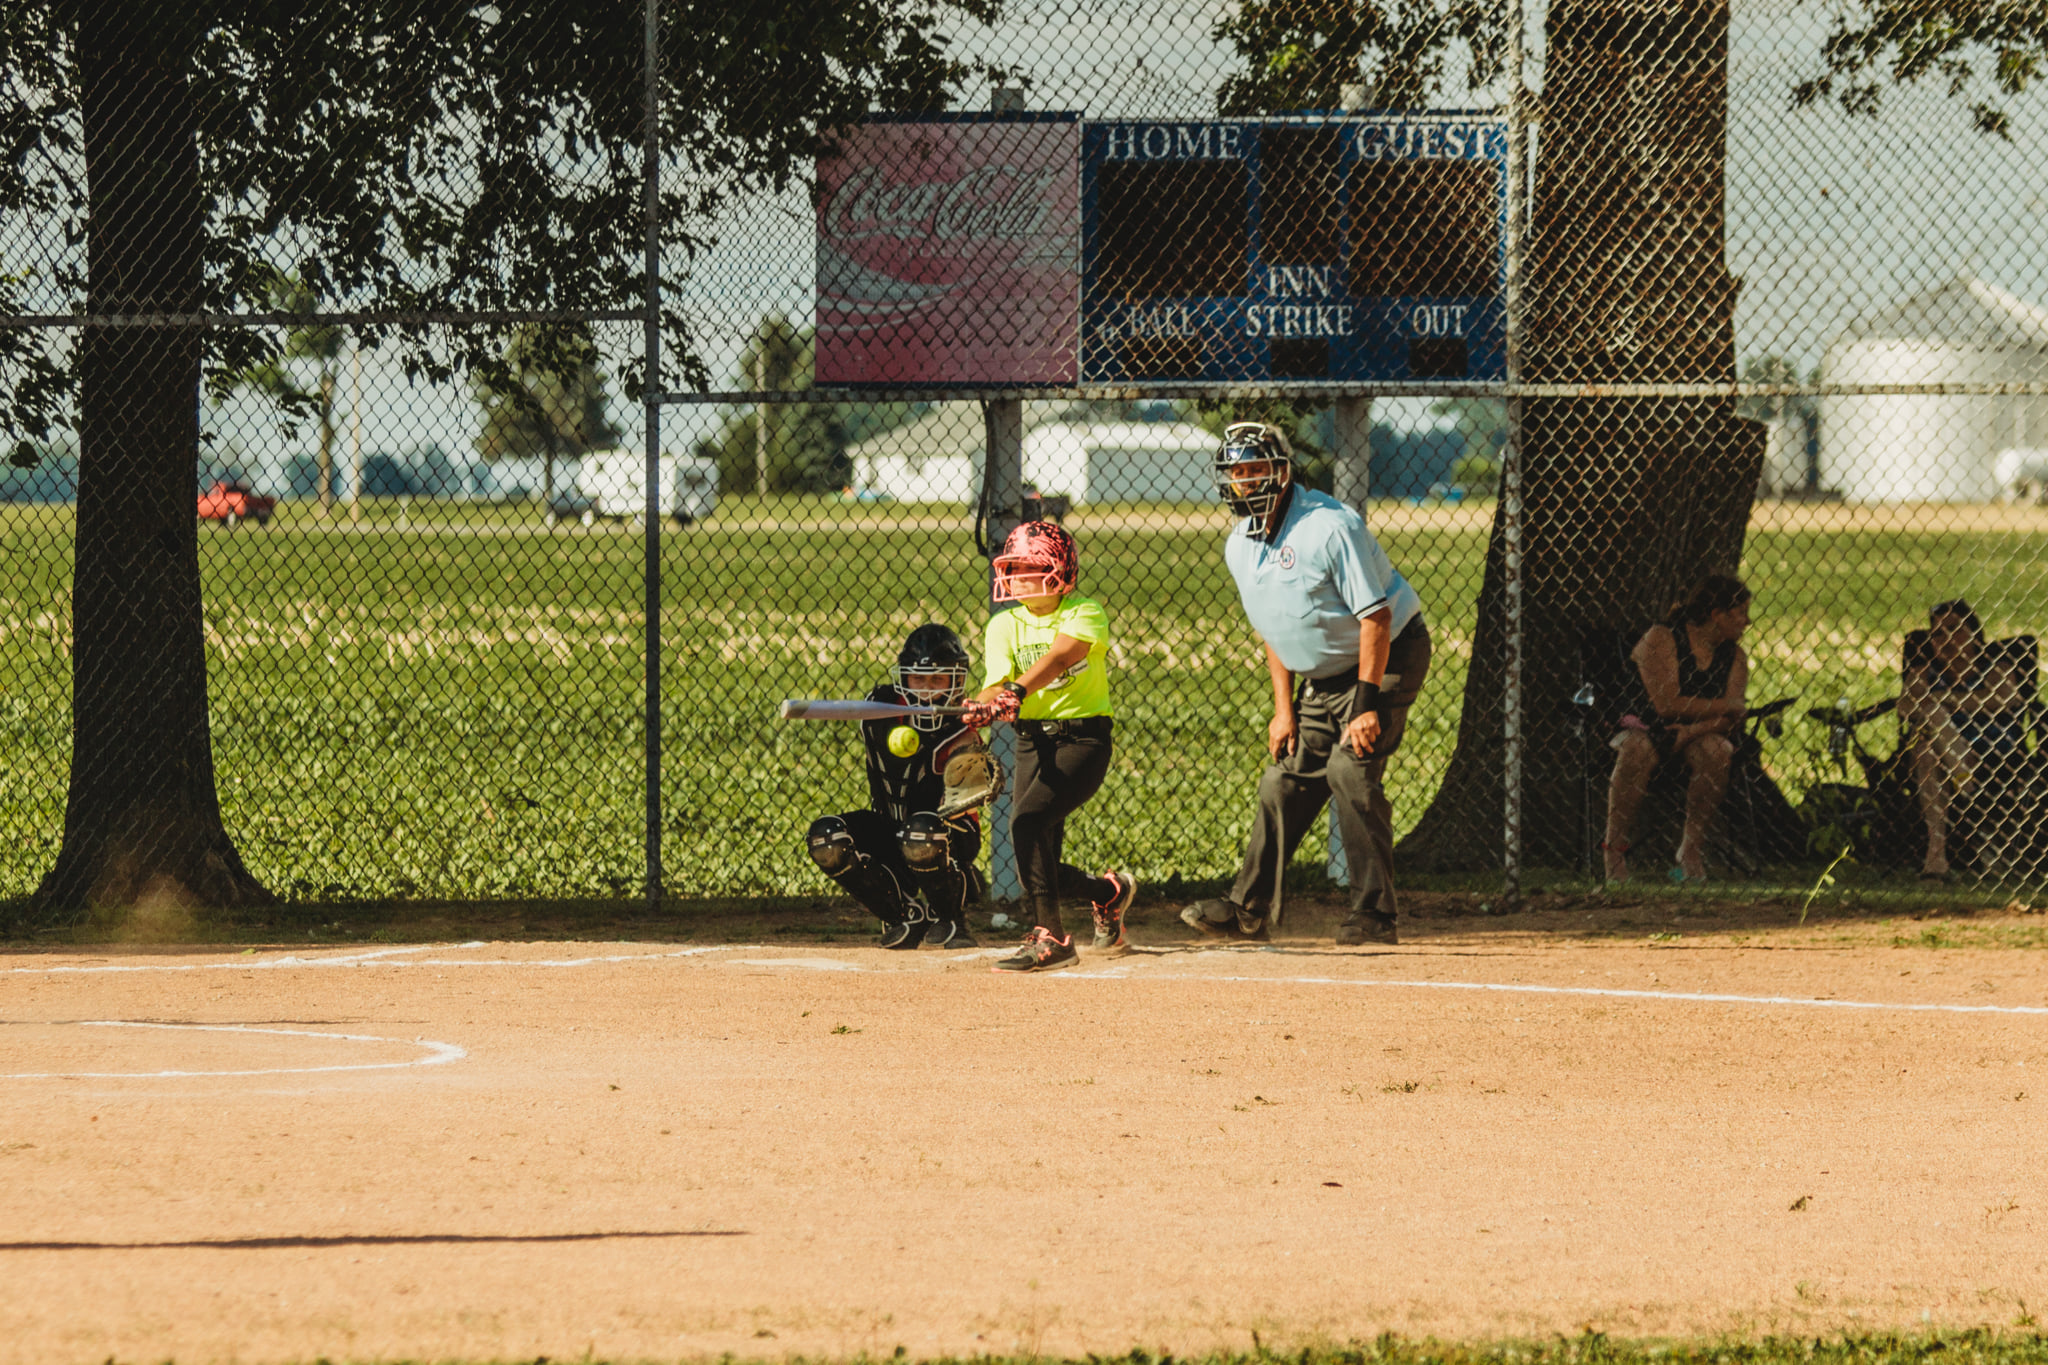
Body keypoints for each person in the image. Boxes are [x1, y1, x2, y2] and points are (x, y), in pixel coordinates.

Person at [1180, 421, 1431, 947]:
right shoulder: (1239, 545)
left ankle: (1374, 914)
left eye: (1254, 470)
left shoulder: (1330, 526)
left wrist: (1366, 705)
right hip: (1323, 674)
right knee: (1282, 779)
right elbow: (1275, 628)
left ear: (1282, 471)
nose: (1243, 482)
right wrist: (1284, 709)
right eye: (1234, 473)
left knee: (1349, 770)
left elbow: (1377, 619)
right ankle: (1247, 911)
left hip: (1387, 656)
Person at [962, 520, 1136, 973]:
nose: (1015, 577)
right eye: (1011, 568)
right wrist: (983, 706)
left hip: (1082, 738)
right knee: (1038, 861)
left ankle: (1054, 939)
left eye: (1026, 567)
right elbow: (994, 685)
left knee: (1025, 823)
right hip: (1031, 742)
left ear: (1059, 571)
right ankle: (1108, 893)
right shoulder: (1003, 625)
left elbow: (1061, 656)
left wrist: (1016, 692)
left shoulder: (1083, 611)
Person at [803, 623, 987, 949]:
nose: (927, 690)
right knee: (826, 837)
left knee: (919, 832)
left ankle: (951, 915)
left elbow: (964, 809)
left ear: (956, 680)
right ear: (903, 678)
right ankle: (905, 914)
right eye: (918, 679)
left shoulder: (962, 731)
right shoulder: (881, 707)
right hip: (891, 825)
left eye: (937, 680)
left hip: (948, 836)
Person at [1600, 575, 1752, 883]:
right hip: (1643, 725)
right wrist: (1725, 706)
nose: (1747, 622)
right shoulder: (1663, 637)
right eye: (1740, 613)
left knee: (1718, 750)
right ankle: (1614, 849)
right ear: (1716, 615)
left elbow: (1734, 719)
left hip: (1697, 733)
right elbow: (1666, 704)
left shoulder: (1735, 656)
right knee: (1637, 749)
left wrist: (1689, 732)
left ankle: (1690, 850)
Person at [1901, 598, 2024, 879]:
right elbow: (1905, 707)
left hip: (1990, 754)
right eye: (1939, 634)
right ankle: (1940, 849)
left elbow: (2005, 698)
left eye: (1956, 629)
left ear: (1974, 634)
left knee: (1930, 718)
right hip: (1945, 761)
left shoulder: (1997, 665)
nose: (1947, 639)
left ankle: (1938, 851)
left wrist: (1944, 699)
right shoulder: (1925, 670)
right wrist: (1946, 704)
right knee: (1926, 751)